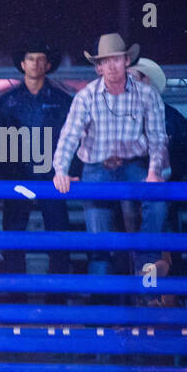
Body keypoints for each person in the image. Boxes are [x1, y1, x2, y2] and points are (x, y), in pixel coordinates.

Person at [52, 33, 168, 278]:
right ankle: (100, 310)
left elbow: (158, 137)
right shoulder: (86, 97)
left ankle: (145, 261)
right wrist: (60, 170)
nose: (112, 66)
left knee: (157, 199)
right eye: (105, 61)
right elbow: (69, 135)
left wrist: (153, 171)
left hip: (133, 165)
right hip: (96, 167)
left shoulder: (147, 95)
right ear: (98, 67)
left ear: (126, 61)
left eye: (116, 59)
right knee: (99, 242)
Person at [0, 37, 73, 275]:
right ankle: (17, 299)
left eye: (41, 59)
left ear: (48, 65)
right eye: (30, 58)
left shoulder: (63, 101)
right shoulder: (6, 102)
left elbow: (73, 139)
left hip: (52, 180)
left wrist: (70, 172)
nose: (35, 64)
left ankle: (55, 302)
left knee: (59, 241)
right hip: (17, 180)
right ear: (22, 64)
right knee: (13, 240)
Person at [129, 57, 187, 283]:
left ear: (145, 80)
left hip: (159, 196)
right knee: (147, 244)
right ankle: (151, 296)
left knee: (154, 240)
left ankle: (153, 296)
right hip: (136, 197)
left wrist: (166, 174)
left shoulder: (171, 118)